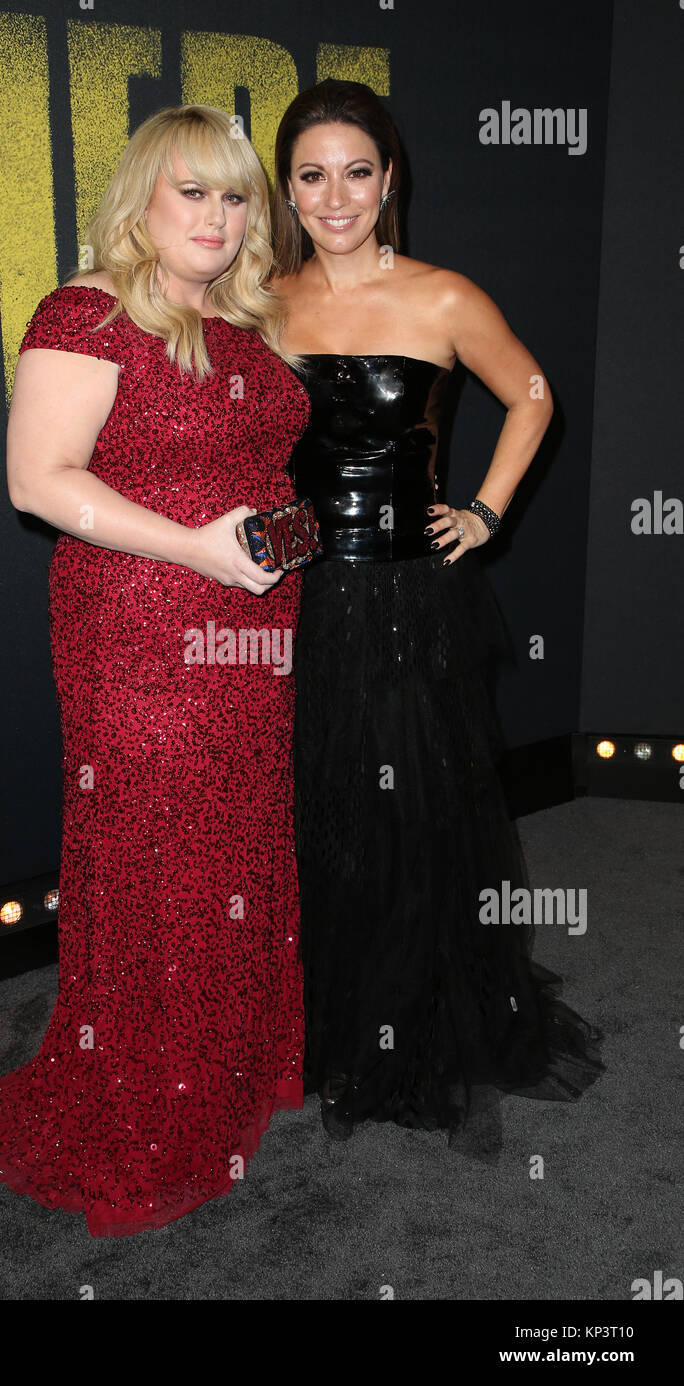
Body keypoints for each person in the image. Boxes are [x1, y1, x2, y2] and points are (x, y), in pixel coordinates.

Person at [0, 105, 311, 1233]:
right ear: (141, 202)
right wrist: (195, 545)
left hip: (255, 629)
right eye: (192, 192)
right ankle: (150, 1097)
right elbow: (39, 477)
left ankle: (228, 1061)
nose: (216, 216)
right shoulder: (89, 311)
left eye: (234, 195)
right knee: (159, 854)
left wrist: (291, 533)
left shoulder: (248, 317)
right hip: (141, 635)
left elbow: (254, 463)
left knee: (236, 839)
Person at [271, 80, 603, 1151]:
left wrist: (489, 512)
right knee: (322, 815)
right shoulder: (263, 300)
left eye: (356, 171)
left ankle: (415, 1034)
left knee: (414, 816)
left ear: (389, 179)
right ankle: (332, 1022)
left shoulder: (442, 297)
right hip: (298, 596)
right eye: (312, 174)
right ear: (286, 188)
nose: (335, 196)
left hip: (411, 593)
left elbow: (535, 392)